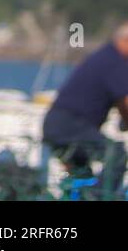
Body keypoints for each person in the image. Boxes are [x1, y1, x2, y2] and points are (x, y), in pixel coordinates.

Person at [42, 22, 128, 196]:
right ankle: (100, 198)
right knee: (116, 156)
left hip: (58, 124)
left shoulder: (106, 56)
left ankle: (86, 196)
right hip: (70, 125)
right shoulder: (115, 61)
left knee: (84, 176)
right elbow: (124, 101)